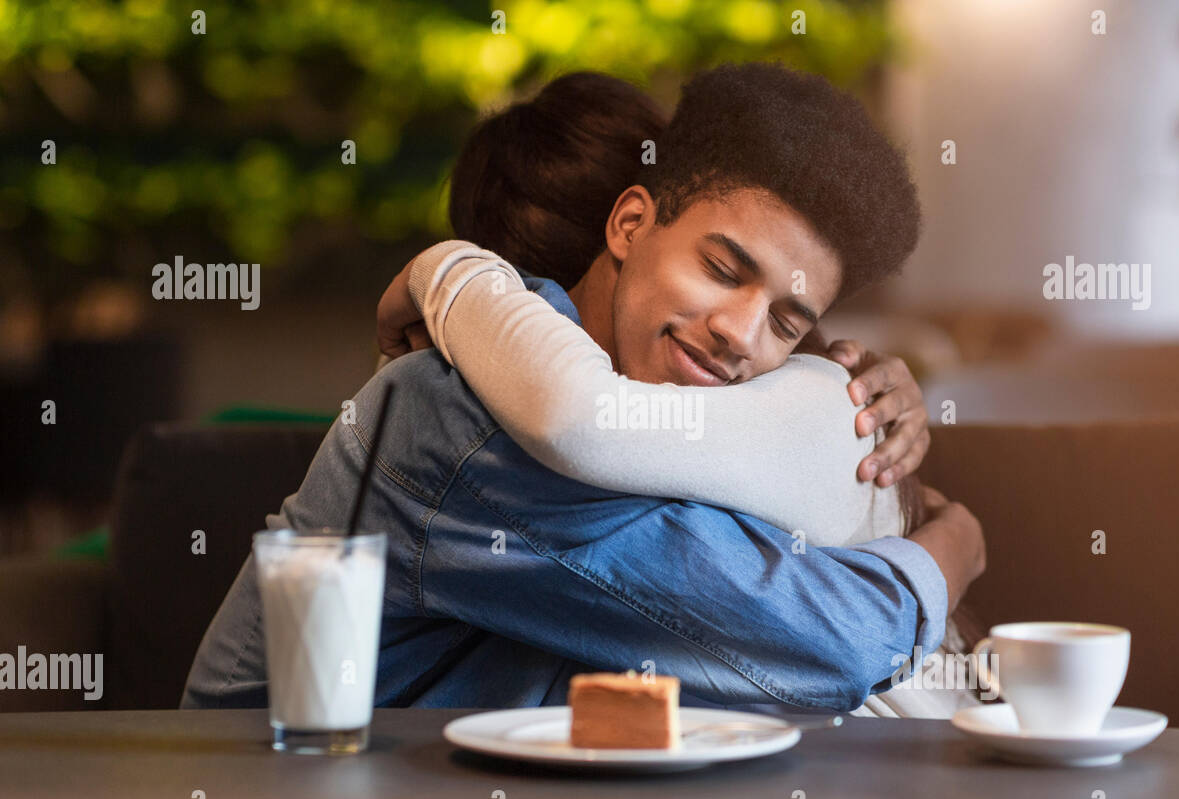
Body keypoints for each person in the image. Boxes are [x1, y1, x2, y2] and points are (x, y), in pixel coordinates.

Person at [181, 63, 986, 716]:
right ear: (628, 225)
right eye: (720, 268)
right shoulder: (471, 417)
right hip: (271, 793)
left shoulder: (686, 420)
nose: (741, 334)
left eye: (786, 320)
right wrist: (951, 545)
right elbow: (830, 645)